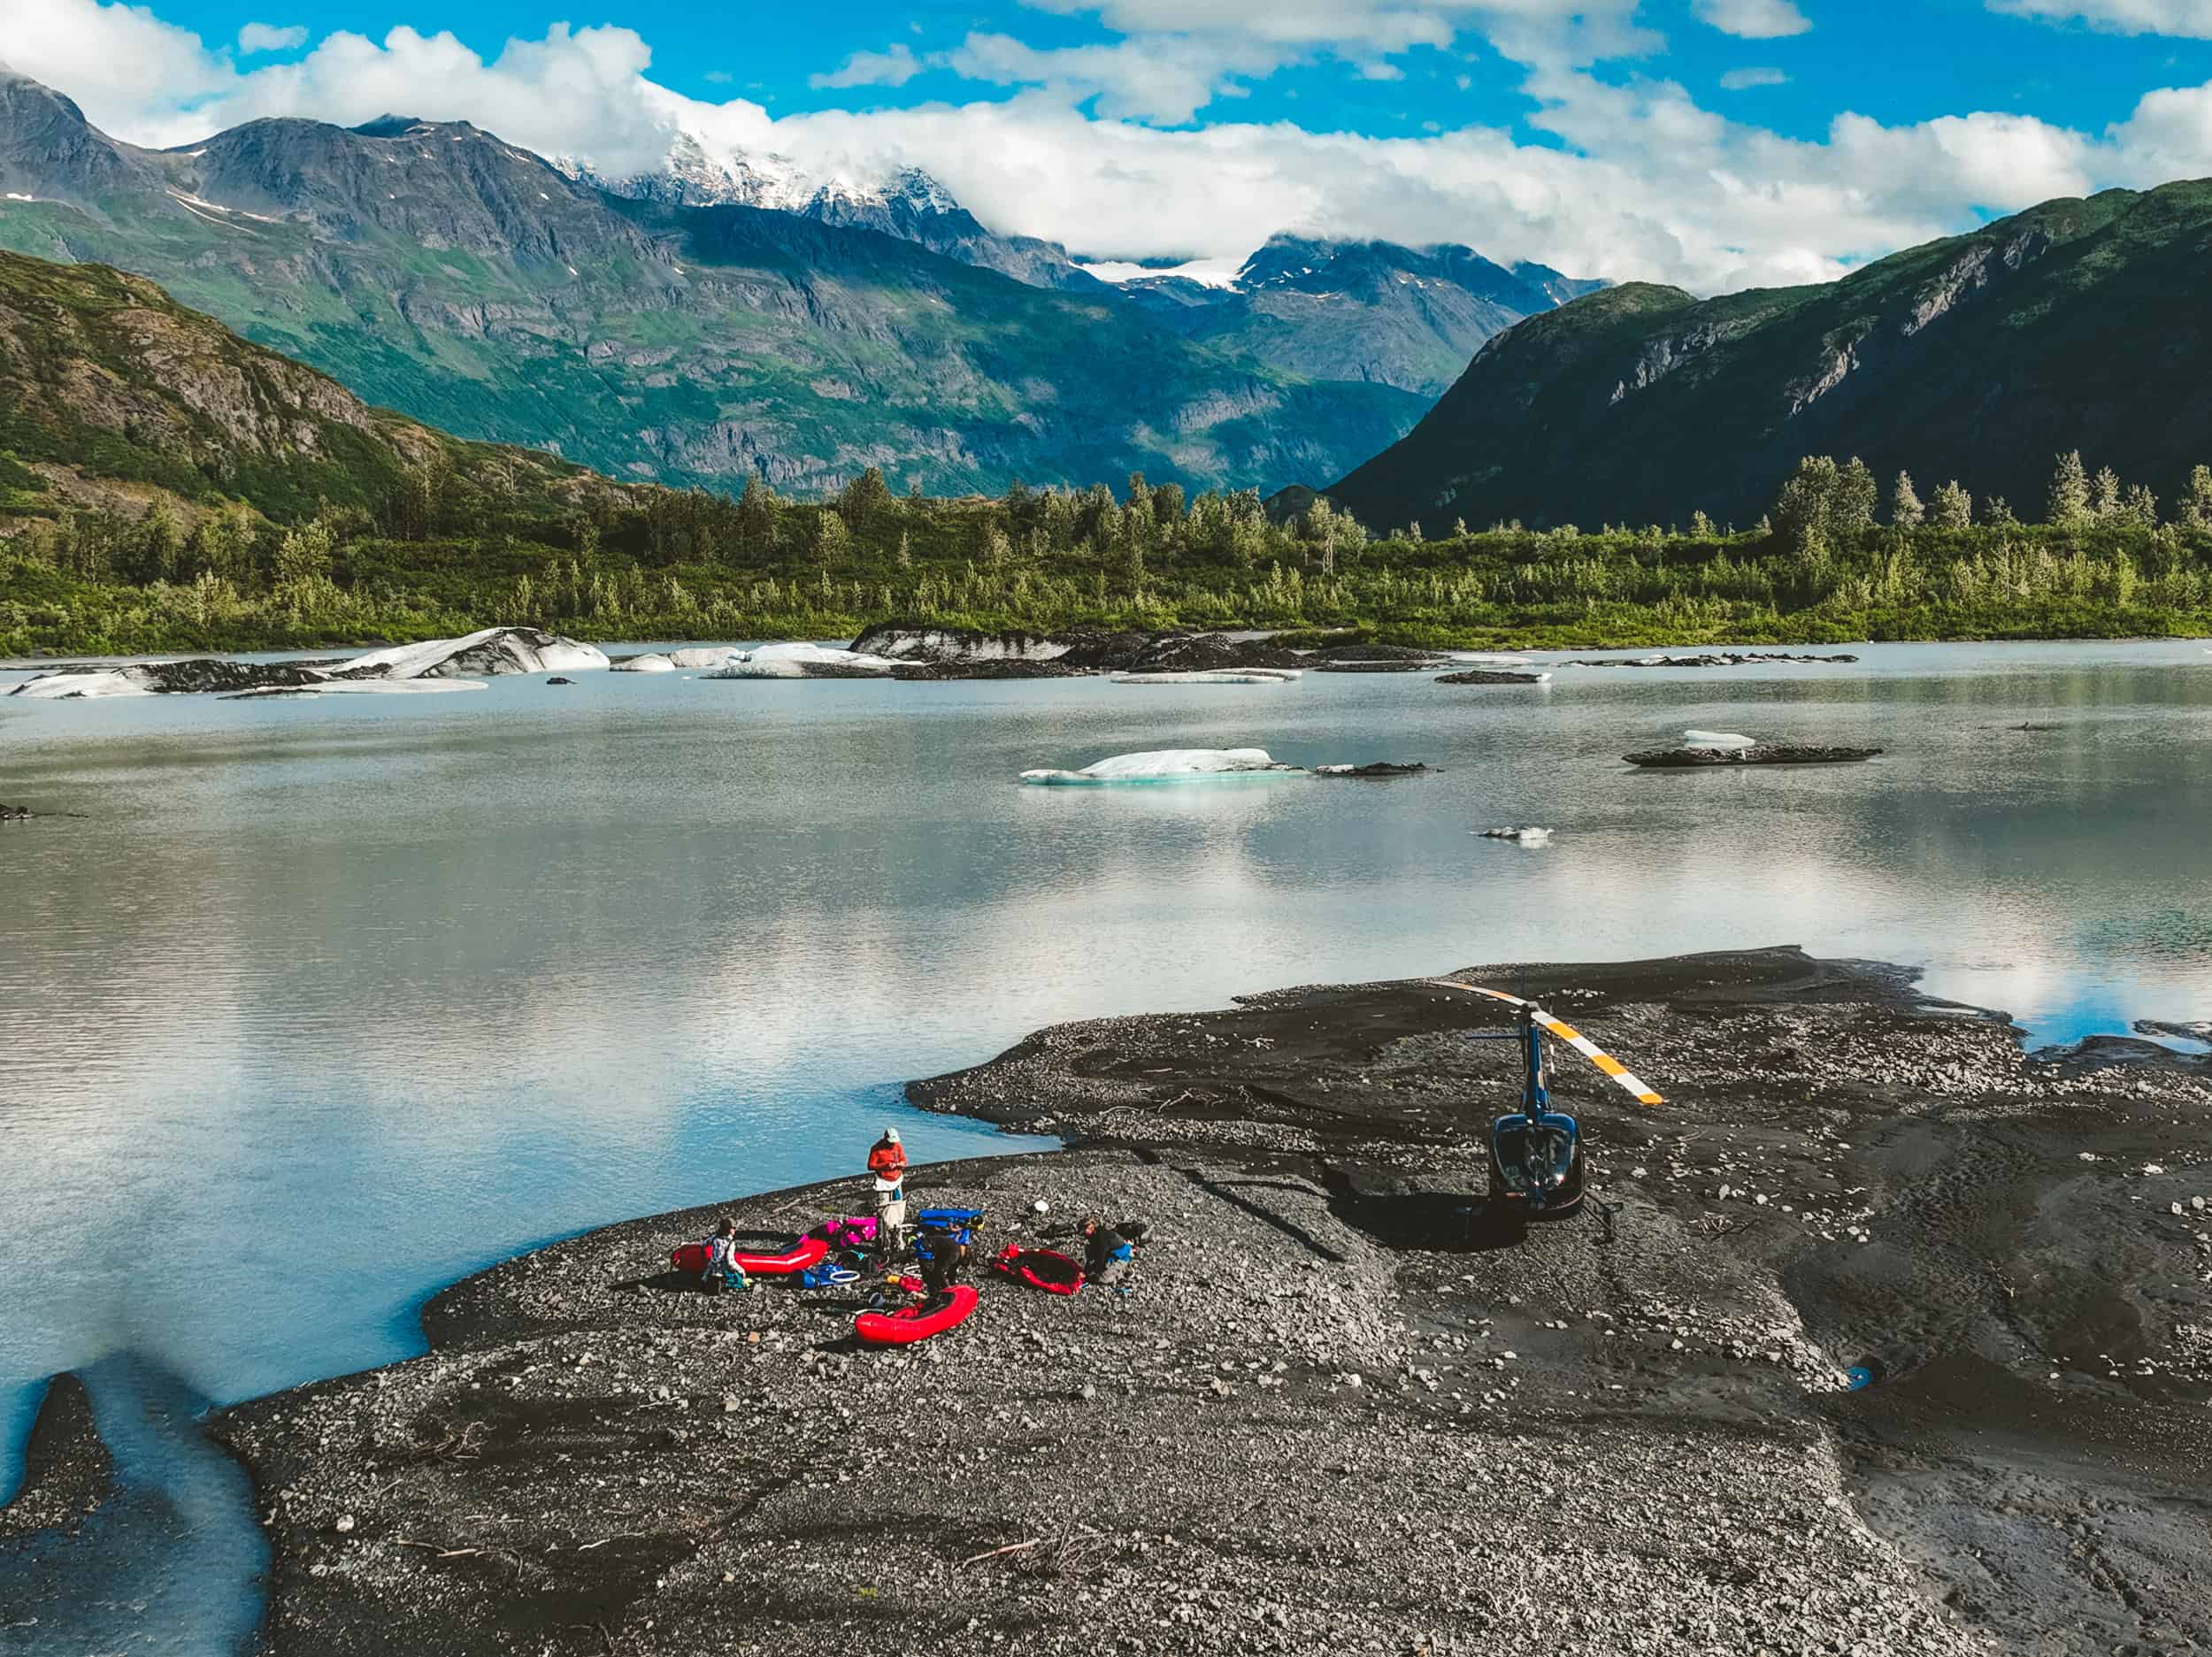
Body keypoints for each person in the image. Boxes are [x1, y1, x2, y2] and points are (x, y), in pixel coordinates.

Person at [1081, 1216, 1152, 1295]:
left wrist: (1091, 1273)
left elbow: (1101, 1257)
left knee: (1101, 1279)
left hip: (1122, 1256)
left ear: (1091, 1227)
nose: (1081, 1233)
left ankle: (1122, 1273)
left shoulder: (1102, 1238)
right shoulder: (1097, 1234)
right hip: (1114, 1254)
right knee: (1088, 1250)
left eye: (1083, 1230)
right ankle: (1119, 1269)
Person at [869, 1128, 909, 1263]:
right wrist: (885, 1165)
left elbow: (904, 1160)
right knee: (883, 1212)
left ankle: (898, 1241)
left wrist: (899, 1164)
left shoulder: (897, 1146)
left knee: (898, 1210)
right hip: (883, 1182)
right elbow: (871, 1165)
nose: (893, 1144)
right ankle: (882, 1244)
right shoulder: (876, 1149)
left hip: (897, 1181)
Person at [700, 1217, 749, 1295]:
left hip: (711, 1269)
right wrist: (741, 1270)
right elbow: (730, 1262)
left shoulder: (714, 1238)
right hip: (722, 1271)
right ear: (728, 1230)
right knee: (739, 1279)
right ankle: (725, 1284)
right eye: (733, 1228)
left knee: (711, 1264)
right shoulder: (730, 1243)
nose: (735, 1230)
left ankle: (704, 1280)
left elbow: (704, 1244)